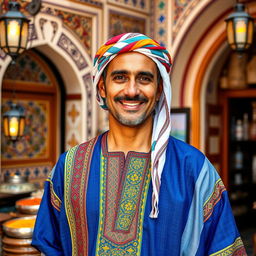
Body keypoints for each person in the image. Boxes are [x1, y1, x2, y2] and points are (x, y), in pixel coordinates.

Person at [32, 33, 247, 256]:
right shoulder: (69, 165)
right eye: (120, 78)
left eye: (144, 78)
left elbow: (224, 249)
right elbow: (50, 246)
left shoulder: (193, 168)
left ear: (159, 90)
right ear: (103, 88)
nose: (132, 90)